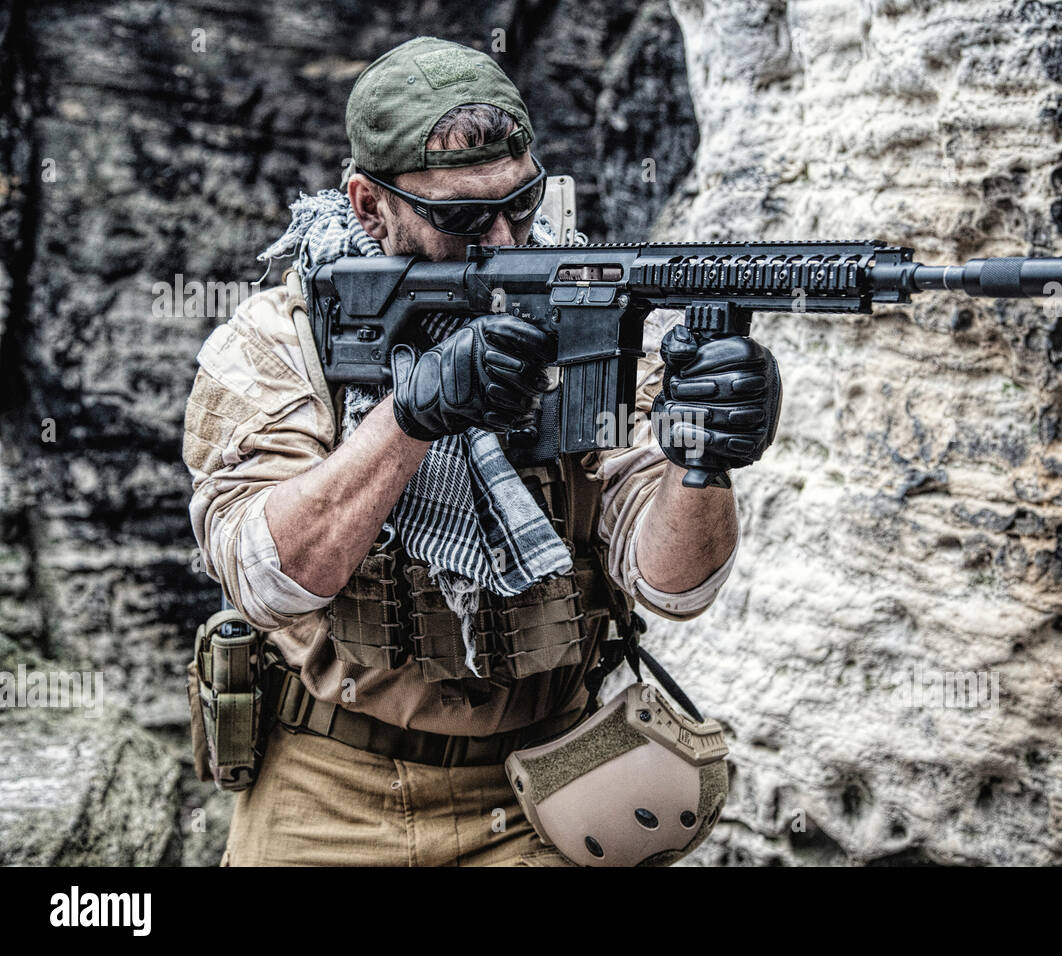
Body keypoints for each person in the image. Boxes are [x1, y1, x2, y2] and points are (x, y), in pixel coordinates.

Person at [182, 35, 781, 866]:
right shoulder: (280, 343)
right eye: (461, 217)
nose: (502, 238)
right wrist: (411, 416)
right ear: (367, 203)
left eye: (522, 203)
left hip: (547, 784)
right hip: (326, 785)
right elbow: (265, 579)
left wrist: (702, 457)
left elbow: (673, 588)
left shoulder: (590, 325)